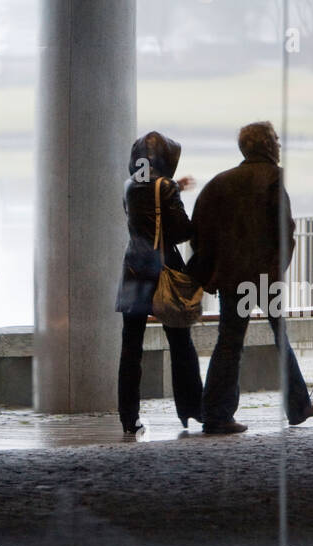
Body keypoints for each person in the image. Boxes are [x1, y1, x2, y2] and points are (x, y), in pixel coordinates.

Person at [189, 121, 313, 434]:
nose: (279, 144)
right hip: (266, 275)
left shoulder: (219, 183)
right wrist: (278, 268)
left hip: (231, 278)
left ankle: (216, 414)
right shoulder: (273, 178)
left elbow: (199, 232)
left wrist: (212, 272)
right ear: (267, 144)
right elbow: (284, 231)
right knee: (281, 337)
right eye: (276, 139)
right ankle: (298, 405)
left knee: (229, 342)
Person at [113, 131, 204, 434]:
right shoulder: (165, 187)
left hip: (133, 271)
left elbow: (145, 203)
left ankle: (129, 418)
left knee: (131, 348)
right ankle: (191, 409)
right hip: (162, 270)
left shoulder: (129, 186)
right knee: (181, 343)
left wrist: (173, 188)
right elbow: (180, 230)